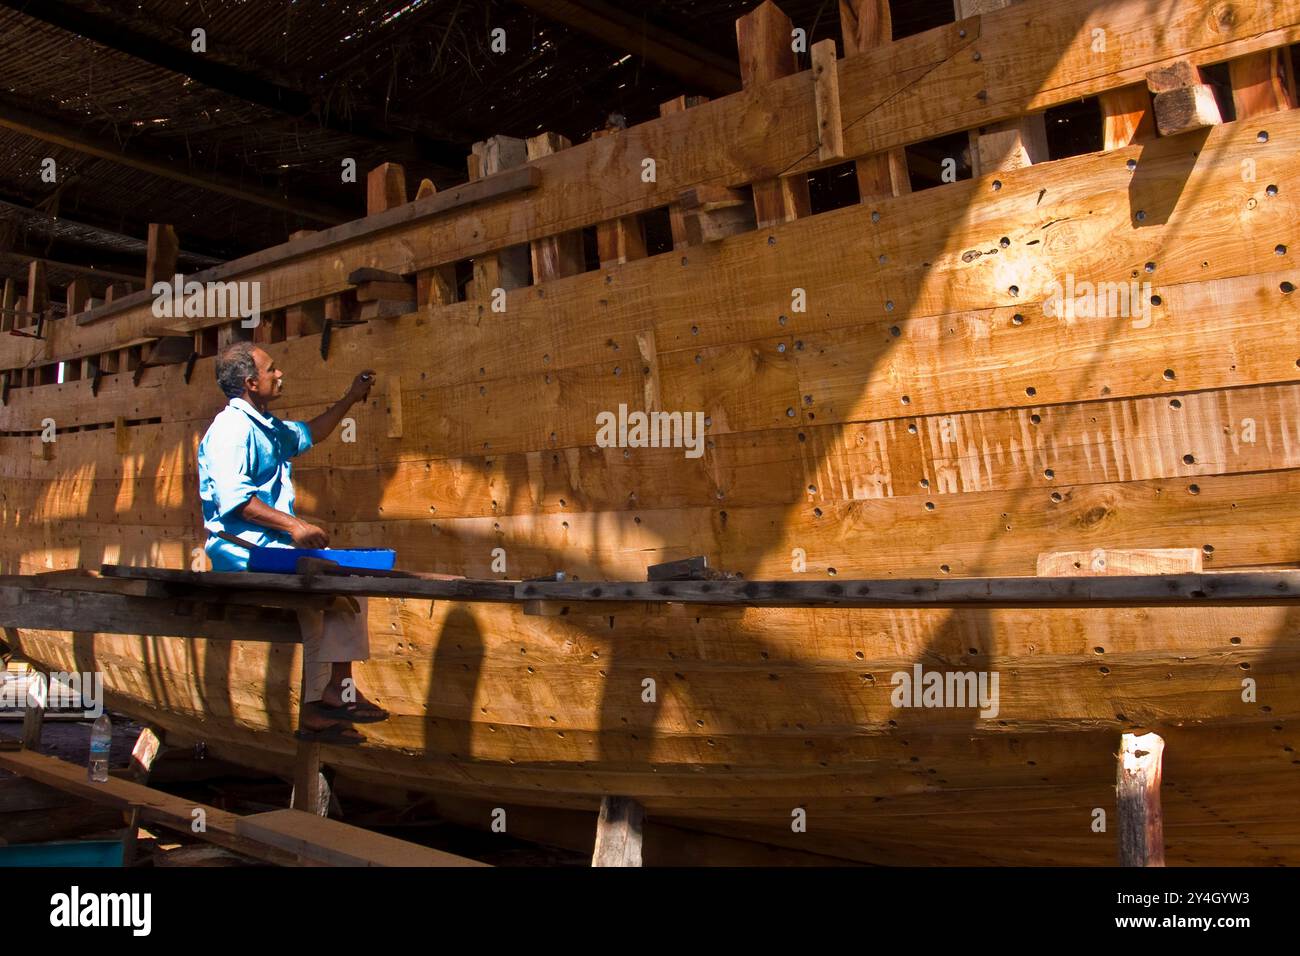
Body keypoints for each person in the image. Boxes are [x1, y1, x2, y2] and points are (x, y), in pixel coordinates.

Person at [197, 341, 387, 745]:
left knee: (341, 586)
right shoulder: (231, 430)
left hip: (270, 551)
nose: (279, 375)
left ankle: (324, 703)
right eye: (272, 370)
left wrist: (350, 398)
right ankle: (333, 694)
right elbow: (236, 501)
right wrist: (295, 526)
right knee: (342, 580)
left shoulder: (264, 426)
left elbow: (311, 433)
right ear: (251, 382)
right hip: (239, 551)